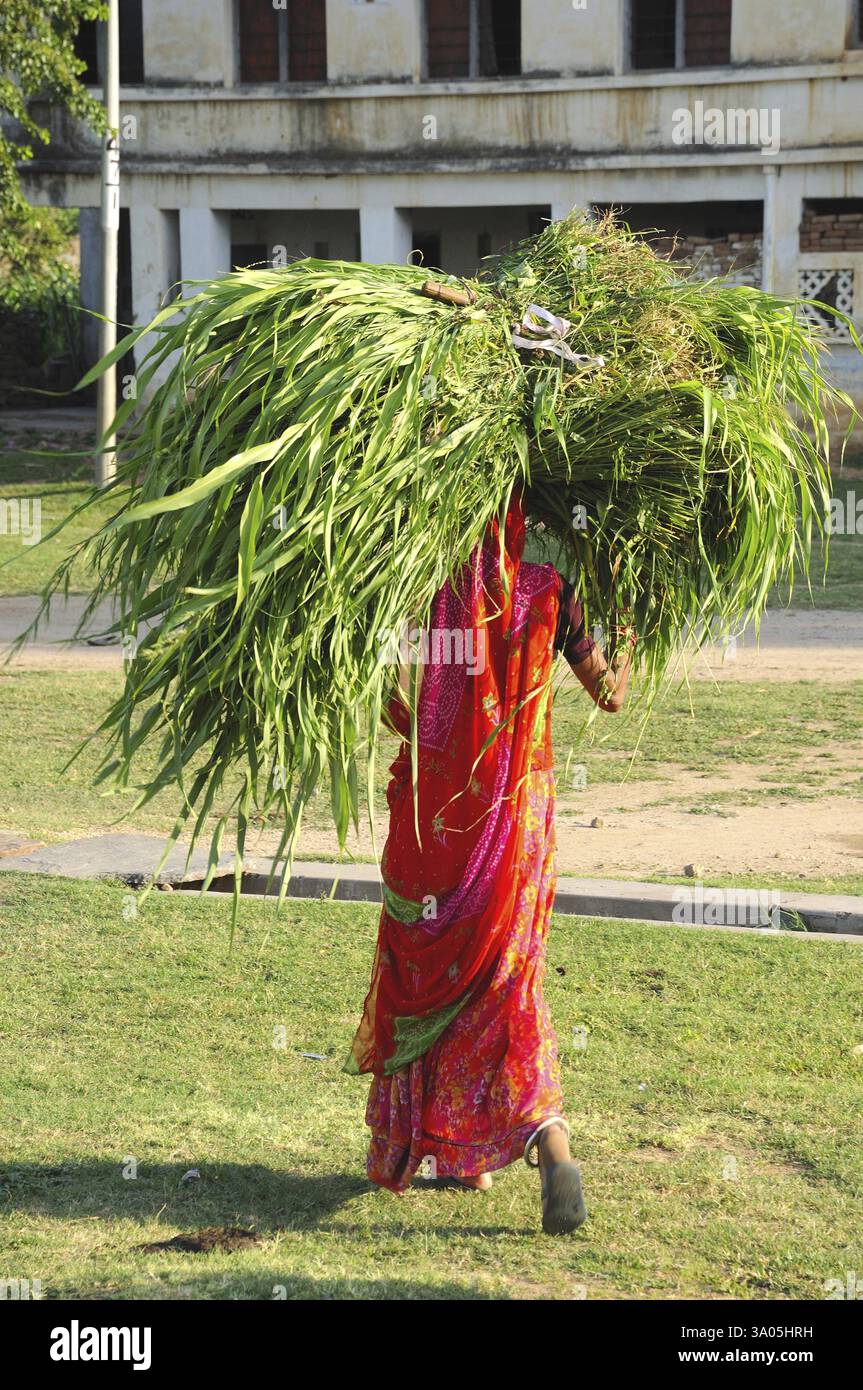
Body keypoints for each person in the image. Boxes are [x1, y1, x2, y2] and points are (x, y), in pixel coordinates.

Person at [346, 493, 635, 1234]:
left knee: (433, 977)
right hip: (514, 825)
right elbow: (608, 694)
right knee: (507, 983)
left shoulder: (414, 592)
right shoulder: (546, 592)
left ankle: (455, 1150)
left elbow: (392, 705)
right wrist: (630, 635)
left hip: (434, 826)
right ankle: (541, 1140)